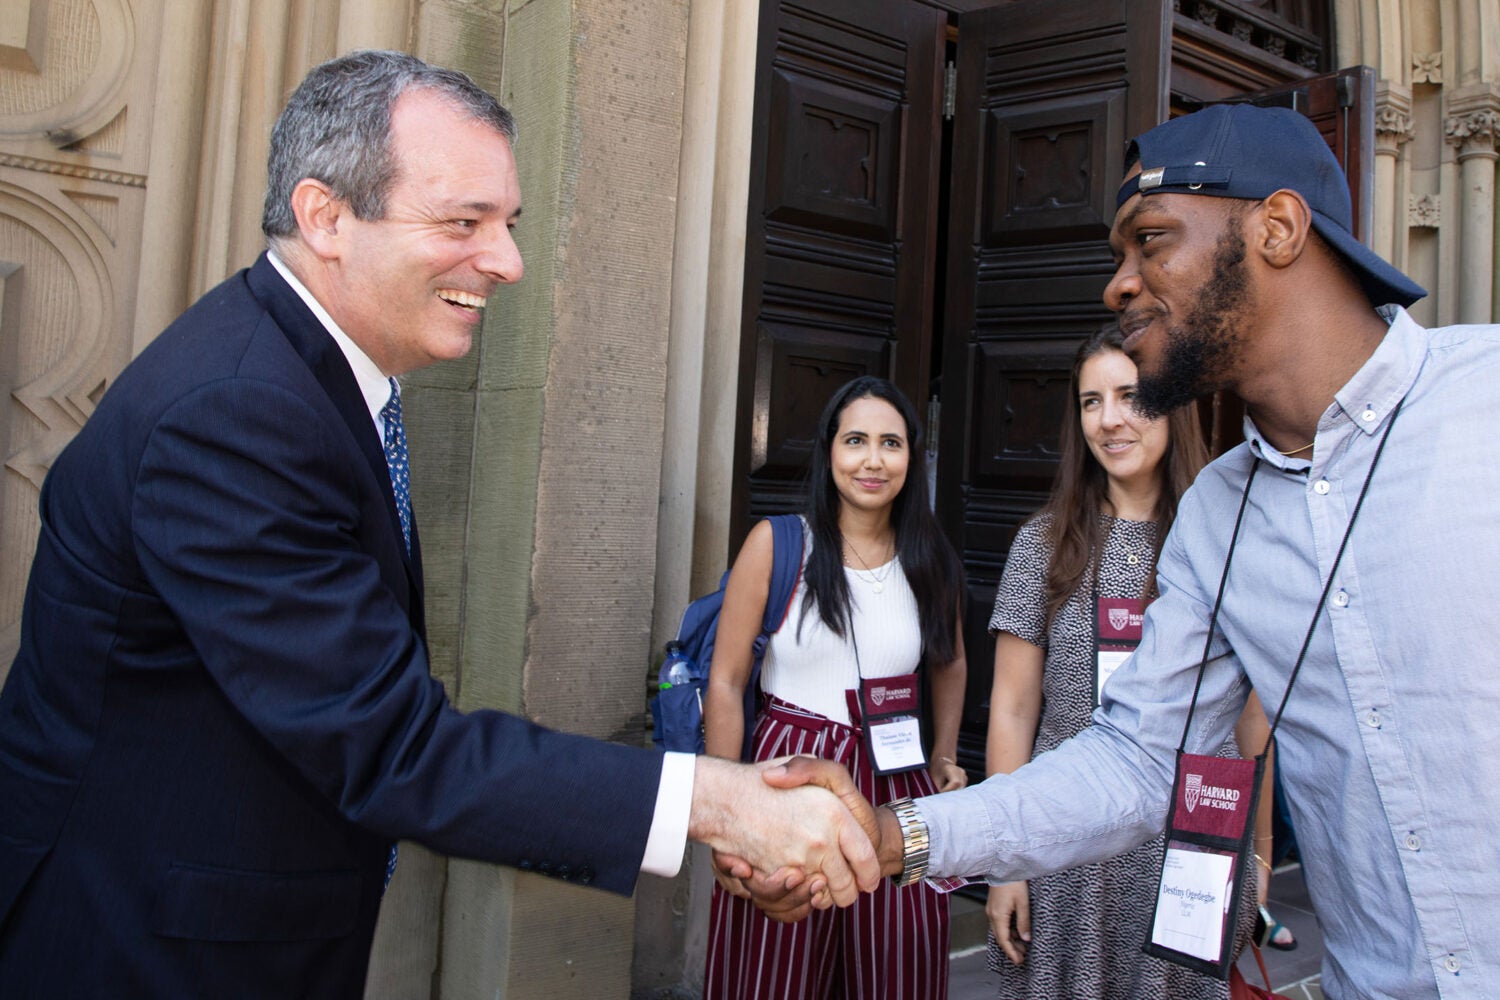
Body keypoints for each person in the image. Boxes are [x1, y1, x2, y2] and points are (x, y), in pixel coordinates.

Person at [0, 50, 878, 999]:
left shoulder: (305, 375)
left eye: (508, 224)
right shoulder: (237, 413)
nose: (507, 262)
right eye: (464, 222)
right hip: (140, 950)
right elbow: (390, 745)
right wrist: (716, 803)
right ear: (324, 216)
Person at [760, 103, 1495, 999]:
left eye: (1150, 241)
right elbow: (1139, 759)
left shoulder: (1483, 403)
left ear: (1277, 227)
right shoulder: (1218, 519)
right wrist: (894, 834)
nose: (1118, 285)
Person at [984, 324, 1273, 996]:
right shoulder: (1043, 543)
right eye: (1091, 401)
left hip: (1193, 838)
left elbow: (1252, 718)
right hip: (1069, 832)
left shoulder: (1225, 541)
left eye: (1130, 396)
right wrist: (1004, 862)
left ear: (1173, 404)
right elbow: (1013, 708)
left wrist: (1258, 853)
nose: (1109, 419)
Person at [703, 376, 967, 999]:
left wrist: (945, 752)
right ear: (829, 451)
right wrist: (723, 808)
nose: (873, 460)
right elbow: (727, 680)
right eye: (856, 441)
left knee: (896, 963)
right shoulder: (779, 546)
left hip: (894, 782)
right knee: (776, 968)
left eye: (890, 443)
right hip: (787, 777)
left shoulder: (930, 559)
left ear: (911, 457)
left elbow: (950, 661)